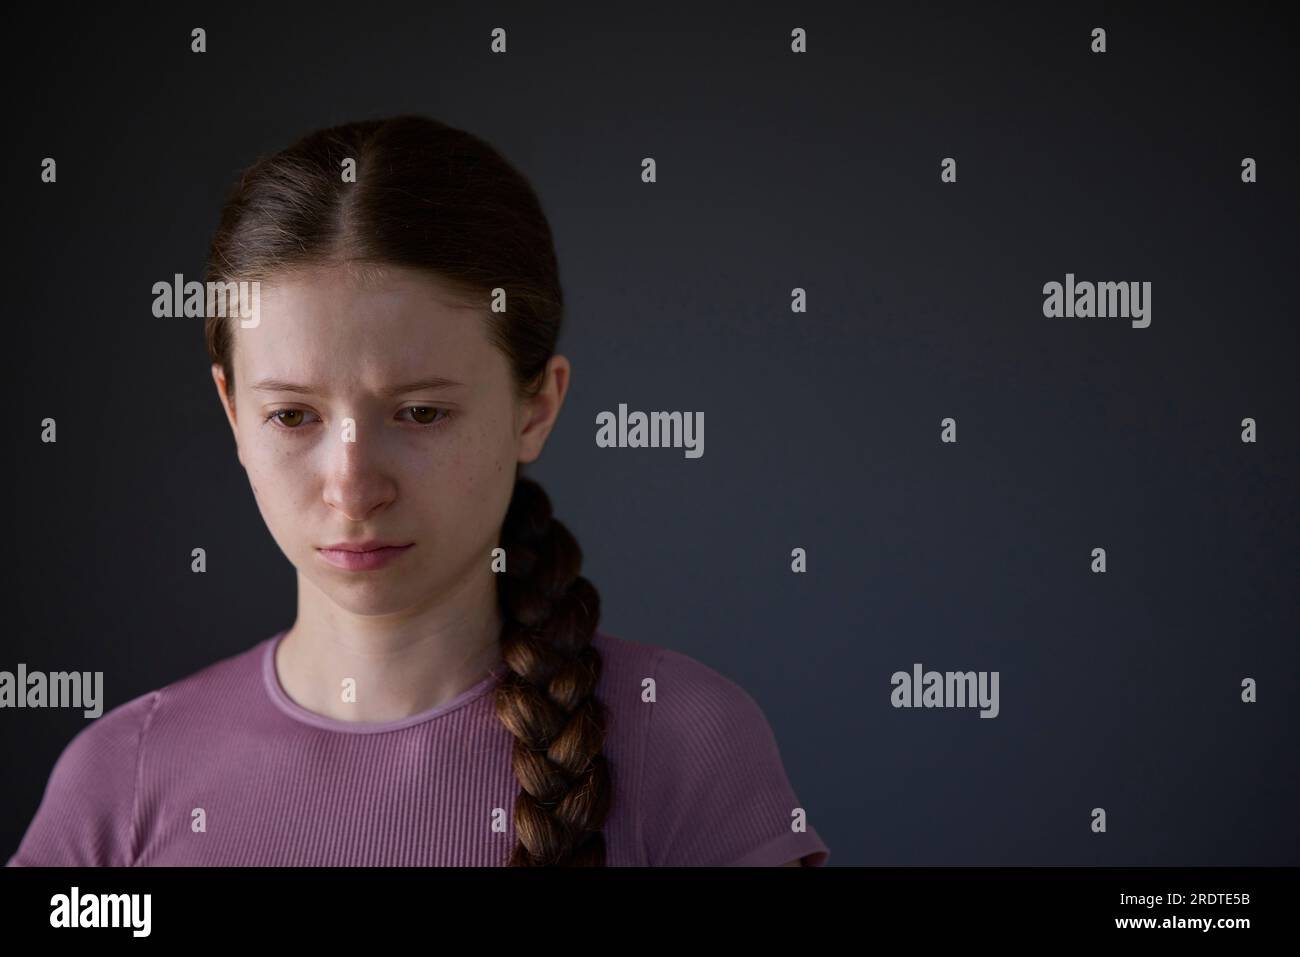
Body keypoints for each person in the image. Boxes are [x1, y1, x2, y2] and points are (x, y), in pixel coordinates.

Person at [7, 115, 830, 867]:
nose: (354, 486)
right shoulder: (119, 783)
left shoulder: (687, 745)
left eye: (422, 411)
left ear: (534, 406)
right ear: (233, 410)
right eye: (293, 414)